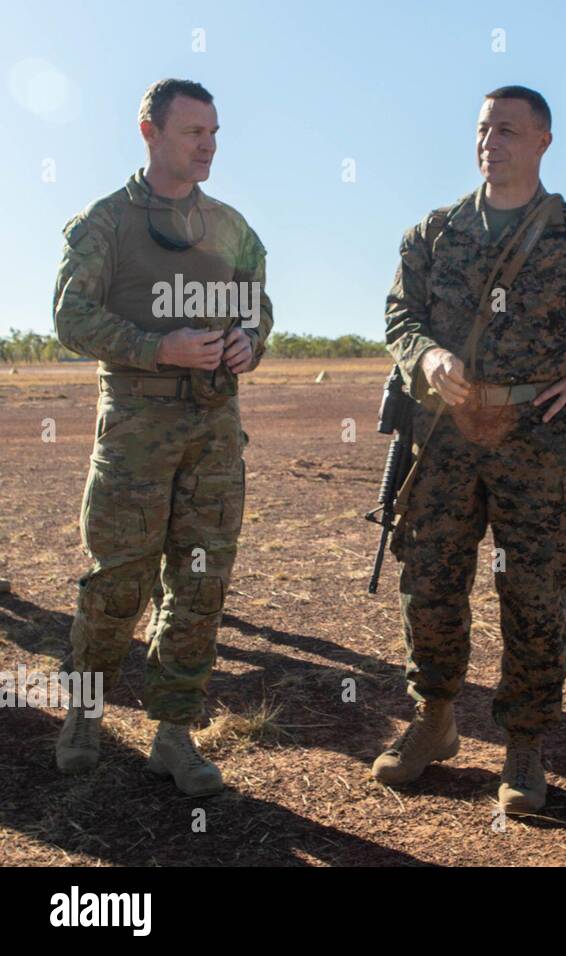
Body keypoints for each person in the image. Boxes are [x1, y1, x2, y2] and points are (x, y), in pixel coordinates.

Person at [376, 85, 566, 813]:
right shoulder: (432, 233)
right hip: (443, 435)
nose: (490, 141)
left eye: (507, 129)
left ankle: (524, 743)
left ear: (542, 142)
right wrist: (426, 357)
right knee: (430, 581)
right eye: (481, 128)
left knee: (534, 591)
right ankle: (433, 719)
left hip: (535, 435)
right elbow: (399, 316)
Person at [52, 78, 273, 795]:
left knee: (201, 580)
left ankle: (175, 734)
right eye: (192, 132)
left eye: (214, 133)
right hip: (136, 431)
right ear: (149, 132)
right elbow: (71, 319)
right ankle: (85, 715)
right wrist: (158, 346)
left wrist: (248, 340)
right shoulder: (105, 223)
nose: (207, 145)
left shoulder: (234, 228)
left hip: (214, 430)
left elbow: (258, 307)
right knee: (117, 579)